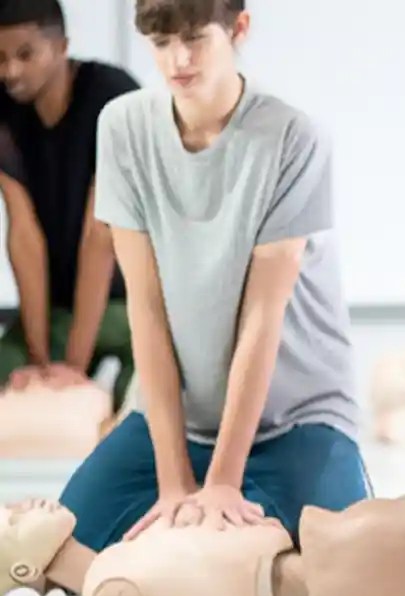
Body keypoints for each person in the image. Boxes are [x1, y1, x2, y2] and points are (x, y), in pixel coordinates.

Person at [58, 0, 369, 553]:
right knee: (69, 539)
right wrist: (176, 485)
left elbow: (262, 313)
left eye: (195, 38)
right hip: (182, 419)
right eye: (160, 42)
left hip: (296, 416)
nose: (178, 58)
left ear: (238, 29)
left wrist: (222, 482)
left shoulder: (293, 137)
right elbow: (145, 308)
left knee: (337, 562)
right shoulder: (123, 127)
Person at [0, 0, 139, 409]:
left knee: (150, 391)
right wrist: (41, 364)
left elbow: (101, 234)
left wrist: (72, 371)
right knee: (11, 369)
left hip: (131, 299)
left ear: (62, 47)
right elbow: (23, 233)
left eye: (26, 55)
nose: (10, 71)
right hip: (60, 306)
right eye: (0, 58)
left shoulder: (112, 95)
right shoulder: (4, 108)